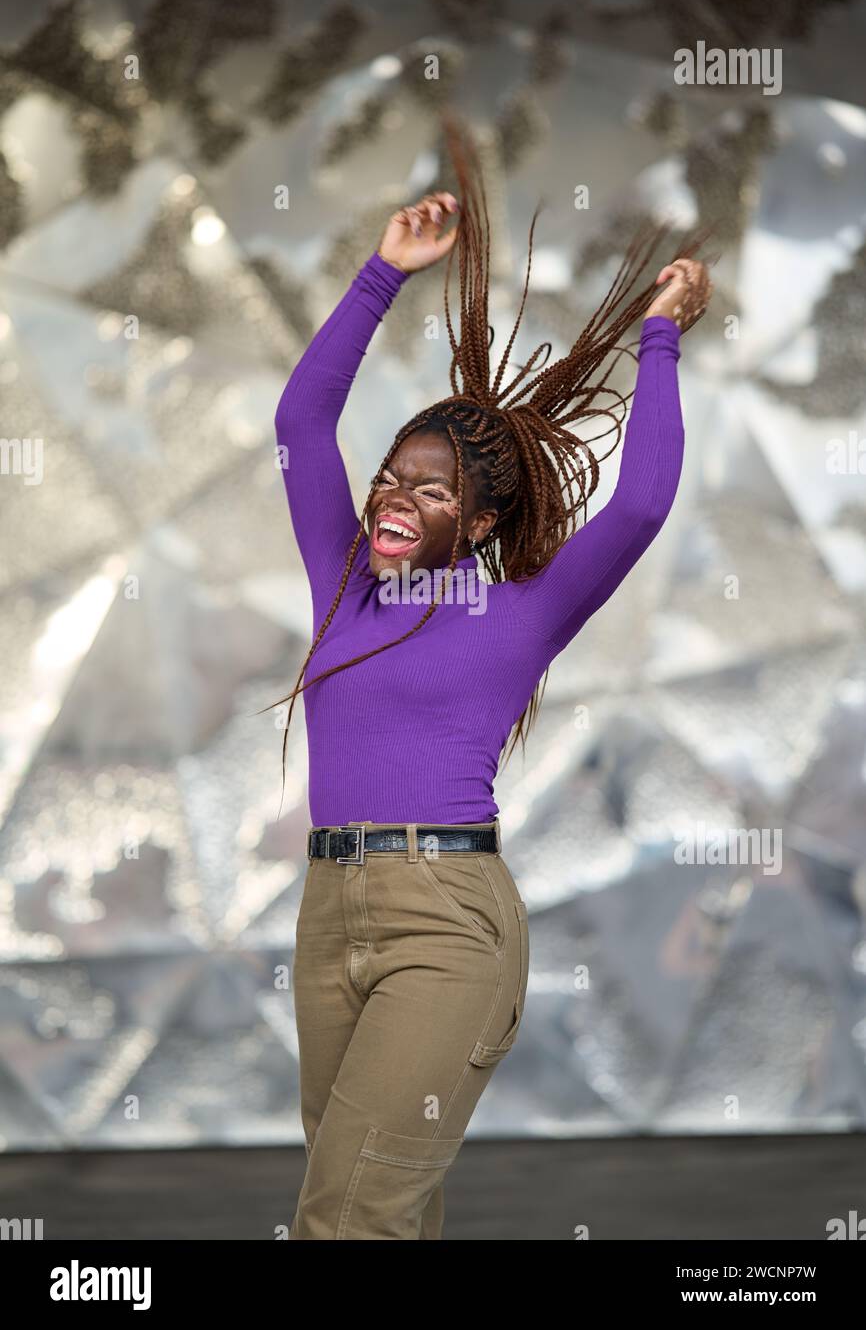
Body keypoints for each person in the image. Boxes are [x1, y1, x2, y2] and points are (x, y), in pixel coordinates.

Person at [267, 113, 713, 1239]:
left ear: (477, 521)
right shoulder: (342, 584)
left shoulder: (524, 610)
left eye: (425, 492)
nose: (389, 501)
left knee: (346, 1218)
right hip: (329, 915)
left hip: (445, 922)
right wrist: (380, 272)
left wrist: (657, 340)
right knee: (381, 1214)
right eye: (387, 479)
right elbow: (300, 420)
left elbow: (643, 502)